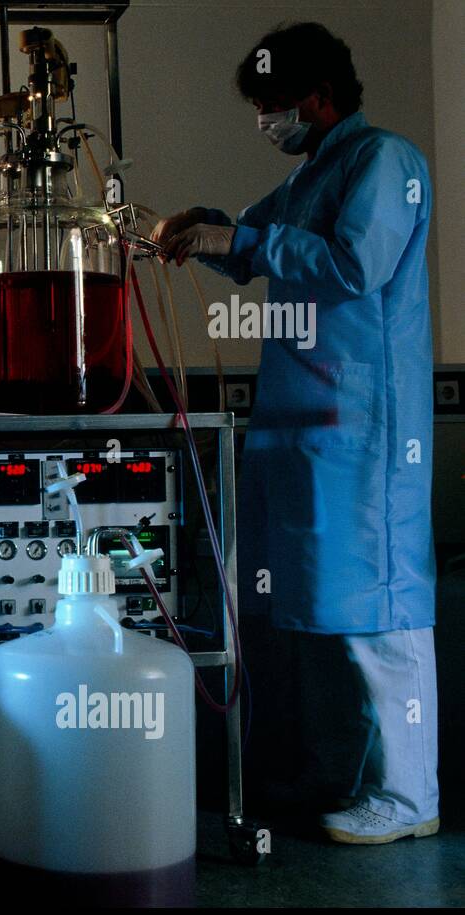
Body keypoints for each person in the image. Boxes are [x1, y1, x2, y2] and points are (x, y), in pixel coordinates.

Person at [153, 22, 438, 844]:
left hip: (367, 432)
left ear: (321, 97)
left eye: (276, 106)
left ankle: (411, 795)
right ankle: (337, 772)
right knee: (316, 614)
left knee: (379, 613)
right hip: (308, 429)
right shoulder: (317, 172)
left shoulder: (383, 163)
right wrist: (201, 226)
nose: (267, 122)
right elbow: (253, 243)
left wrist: (239, 237)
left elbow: (353, 267)